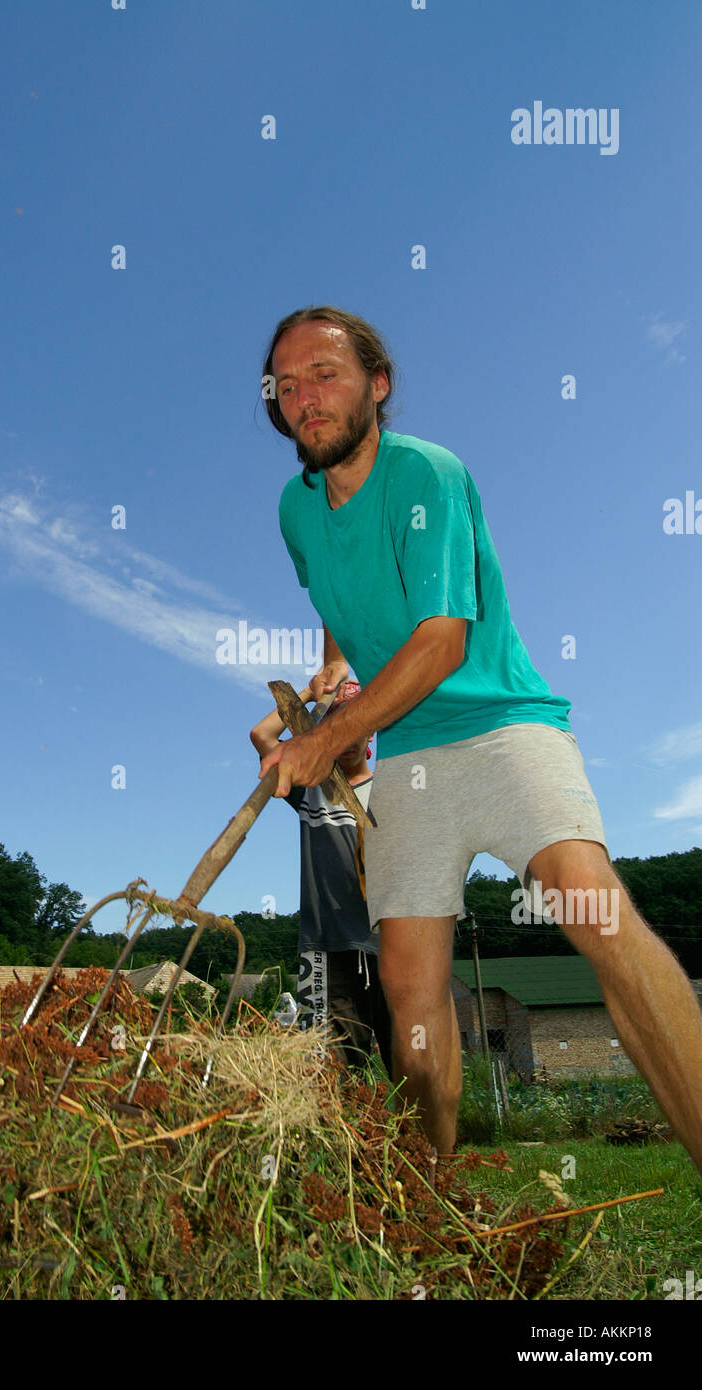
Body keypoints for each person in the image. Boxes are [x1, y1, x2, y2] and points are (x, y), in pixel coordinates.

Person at [256, 304, 702, 1170]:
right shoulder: (294, 510)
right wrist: (331, 679)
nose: (303, 396)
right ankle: (431, 1215)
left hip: (505, 724)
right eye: (285, 382)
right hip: (411, 755)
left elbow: (440, 641)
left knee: (596, 914)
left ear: (377, 387)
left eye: (326, 374)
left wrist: (327, 741)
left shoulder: (429, 473)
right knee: (409, 985)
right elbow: (336, 602)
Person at [250, 680, 393, 1077]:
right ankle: (344, 1137)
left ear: (370, 731)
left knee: (411, 1060)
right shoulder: (312, 790)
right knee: (332, 1071)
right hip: (325, 949)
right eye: (336, 726)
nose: (345, 737)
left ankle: (421, 1140)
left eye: (354, 724)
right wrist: (313, 696)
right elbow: (263, 735)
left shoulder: (392, 790)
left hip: (390, 944)